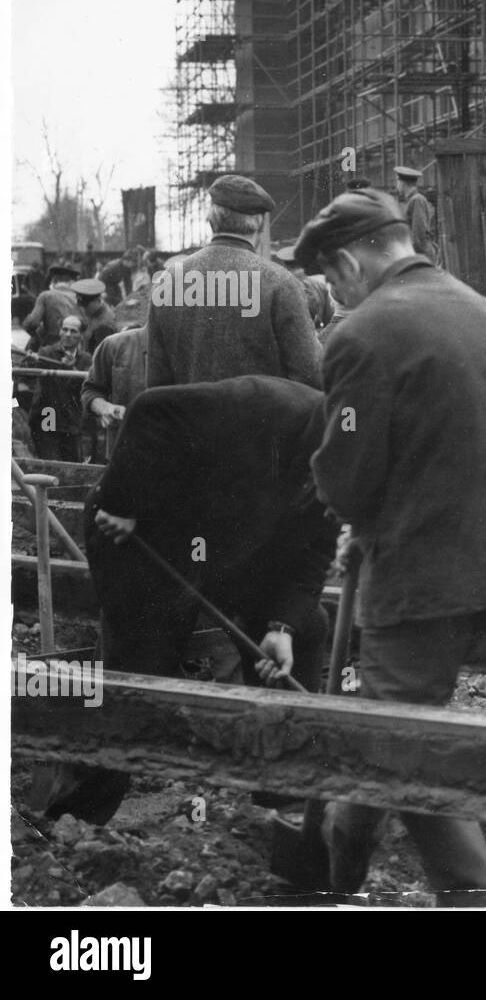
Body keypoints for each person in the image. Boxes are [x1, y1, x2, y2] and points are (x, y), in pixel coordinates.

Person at [296, 187, 486, 905]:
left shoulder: (362, 332)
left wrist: (352, 507)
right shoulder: (479, 307)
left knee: (402, 735)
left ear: (348, 262)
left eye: (329, 280)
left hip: (431, 561)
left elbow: (345, 477)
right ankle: (344, 848)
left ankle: (469, 896)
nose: (334, 294)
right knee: (402, 712)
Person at [28, 375, 337, 826]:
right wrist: (123, 500)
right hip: (144, 534)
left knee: (310, 626)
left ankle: (282, 801)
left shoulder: (352, 470)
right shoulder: (266, 406)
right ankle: (71, 818)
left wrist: (281, 626)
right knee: (141, 675)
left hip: (230, 546)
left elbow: (317, 551)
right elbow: (151, 408)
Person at [148, 174, 322, 389]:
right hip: (263, 419)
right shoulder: (280, 282)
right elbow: (309, 375)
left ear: (212, 218)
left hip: (188, 420)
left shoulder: (168, 281)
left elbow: (156, 383)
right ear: (259, 223)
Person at [26, 315, 92, 461]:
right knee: (51, 467)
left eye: (73, 331)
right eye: (65, 329)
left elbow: (85, 389)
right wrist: (29, 363)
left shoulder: (86, 359)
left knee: (71, 469)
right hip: (47, 417)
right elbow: (27, 378)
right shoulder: (46, 353)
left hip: (71, 422)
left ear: (81, 335)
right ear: (60, 331)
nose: (68, 334)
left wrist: (72, 368)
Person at [81, 324, 149, 459]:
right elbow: (91, 390)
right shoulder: (115, 345)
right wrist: (105, 408)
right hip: (125, 453)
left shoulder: (192, 351)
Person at [21, 263, 80, 349]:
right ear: (72, 282)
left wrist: (37, 338)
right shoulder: (81, 298)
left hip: (53, 347)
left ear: (54, 281)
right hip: (78, 347)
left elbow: (31, 324)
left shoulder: (45, 296)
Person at [393, 166, 439, 265]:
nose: (397, 186)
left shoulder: (417, 200)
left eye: (397, 182)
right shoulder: (411, 200)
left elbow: (419, 232)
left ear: (402, 183)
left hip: (420, 256)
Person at [71, 278, 118, 354]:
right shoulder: (96, 314)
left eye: (86, 306)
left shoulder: (104, 326)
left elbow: (99, 358)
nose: (83, 309)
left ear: (98, 300)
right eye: (82, 306)